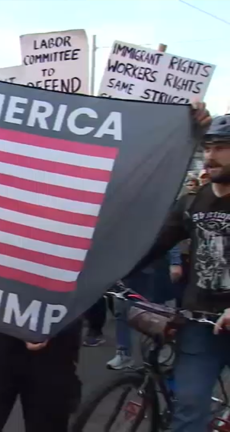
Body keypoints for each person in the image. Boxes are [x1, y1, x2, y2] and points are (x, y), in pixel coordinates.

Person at [131, 112, 230, 432]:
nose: (210, 155)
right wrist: (108, 272)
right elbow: (154, 244)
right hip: (201, 322)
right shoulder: (192, 202)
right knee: (189, 404)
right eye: (208, 146)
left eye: (221, 147)